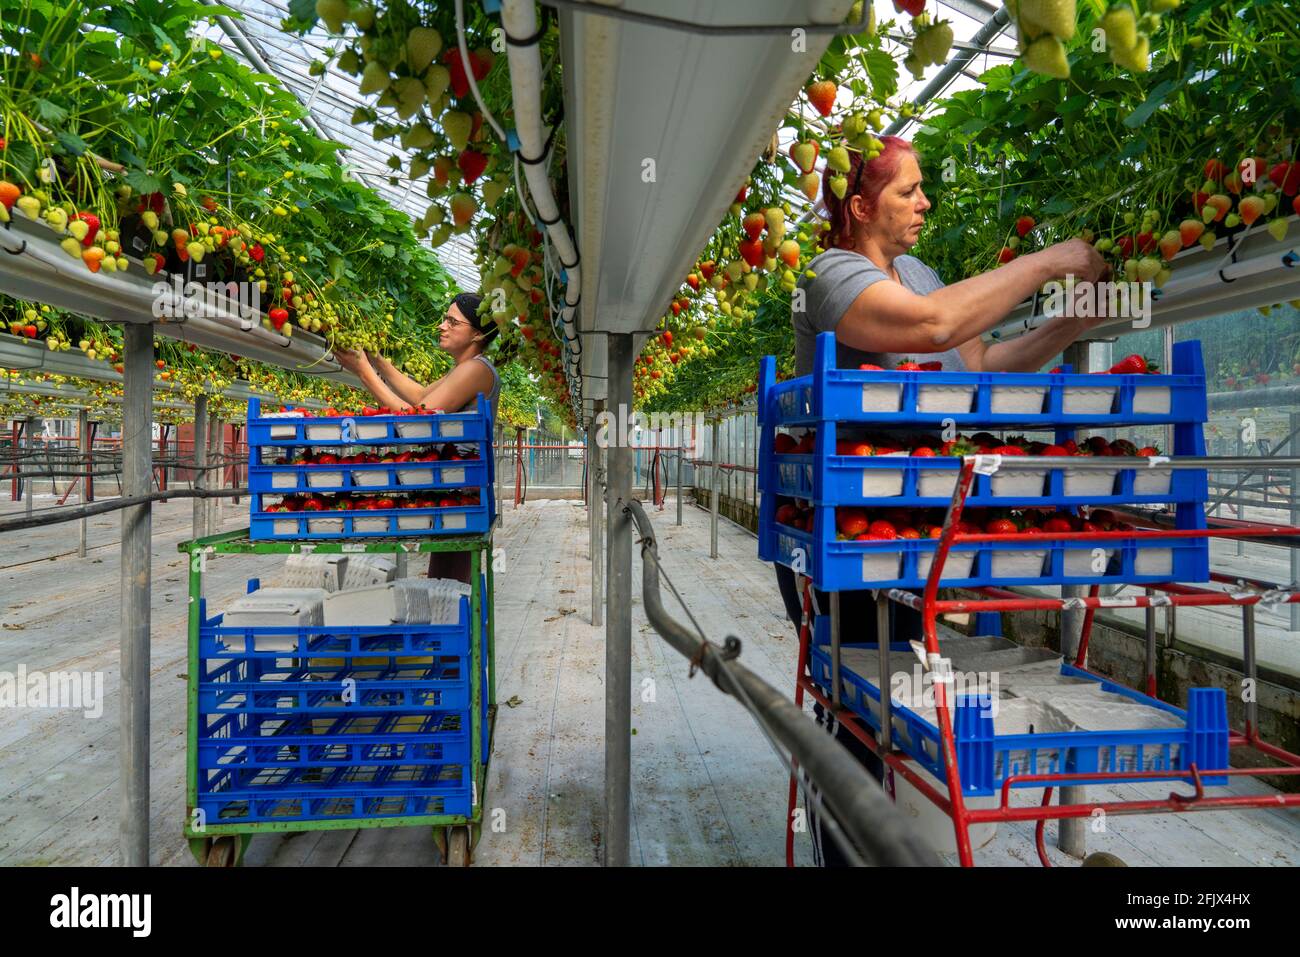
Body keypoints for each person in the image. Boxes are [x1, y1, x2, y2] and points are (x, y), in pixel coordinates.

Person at [781, 135, 1111, 866]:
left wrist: (1072, 322)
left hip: (911, 522)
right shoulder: (830, 275)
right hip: (847, 529)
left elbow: (982, 363)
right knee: (856, 718)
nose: (926, 202)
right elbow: (929, 326)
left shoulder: (920, 272)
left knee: (897, 706)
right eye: (909, 192)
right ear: (862, 205)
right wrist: (1049, 259)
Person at [334, 292, 500, 582]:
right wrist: (378, 360)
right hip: (453, 486)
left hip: (462, 490)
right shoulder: (464, 368)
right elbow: (422, 395)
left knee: (454, 584)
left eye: (452, 321)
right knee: (444, 581)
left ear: (476, 335)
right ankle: (456, 621)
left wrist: (364, 372)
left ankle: (463, 624)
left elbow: (418, 417)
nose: (442, 326)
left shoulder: (477, 369)